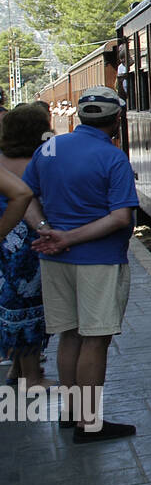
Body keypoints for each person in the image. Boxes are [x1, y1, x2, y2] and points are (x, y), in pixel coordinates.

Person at [22, 87, 138, 442]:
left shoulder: (49, 149)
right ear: (116, 119)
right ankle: (91, 423)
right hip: (98, 262)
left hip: (53, 260)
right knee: (95, 339)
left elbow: (23, 195)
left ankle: (71, 414)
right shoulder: (113, 157)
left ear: (79, 116)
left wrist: (46, 231)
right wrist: (68, 237)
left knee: (69, 335)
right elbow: (120, 217)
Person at [1, 105, 49, 388]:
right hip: (29, 242)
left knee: (11, 307)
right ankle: (33, 377)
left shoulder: (1, 160)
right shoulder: (36, 162)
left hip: (4, 239)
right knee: (30, 308)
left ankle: (16, 371)